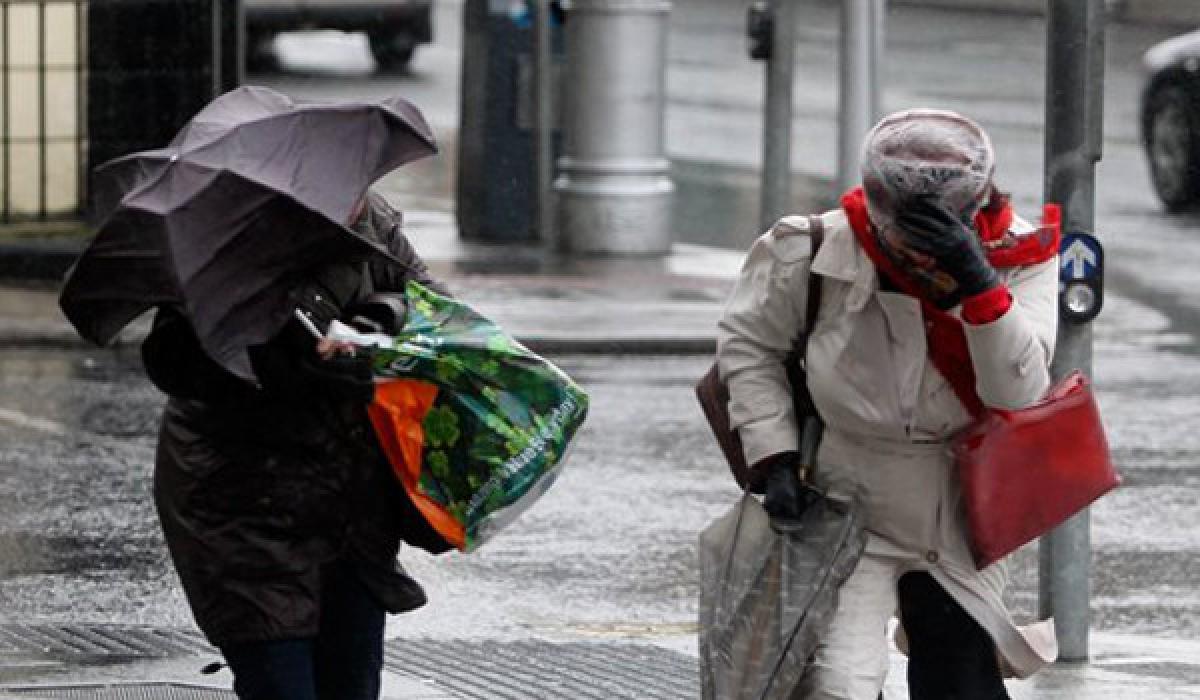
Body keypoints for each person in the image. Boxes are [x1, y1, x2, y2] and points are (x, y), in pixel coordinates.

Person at [716, 108, 1060, 699]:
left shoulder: (1022, 257)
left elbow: (1016, 392)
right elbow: (749, 345)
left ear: (976, 208)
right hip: (848, 497)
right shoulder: (811, 248)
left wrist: (979, 285)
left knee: (959, 676)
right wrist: (774, 454)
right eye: (901, 233)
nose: (914, 256)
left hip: (963, 500)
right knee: (835, 684)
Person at [142, 190, 450, 700]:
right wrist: (278, 359)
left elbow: (435, 309)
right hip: (244, 506)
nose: (352, 198)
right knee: (280, 681)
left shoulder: (372, 221)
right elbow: (172, 362)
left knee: (351, 683)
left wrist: (376, 323)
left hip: (350, 506)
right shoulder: (219, 239)